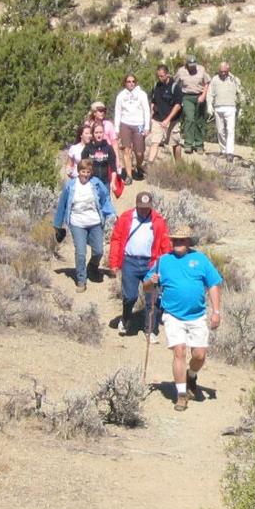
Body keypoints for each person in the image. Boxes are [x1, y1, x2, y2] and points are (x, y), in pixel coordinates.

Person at [143, 224, 223, 411]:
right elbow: (146, 288)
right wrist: (150, 282)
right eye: (175, 240)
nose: (178, 243)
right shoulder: (163, 261)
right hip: (173, 315)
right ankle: (181, 394)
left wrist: (216, 312)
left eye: (181, 240)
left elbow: (213, 284)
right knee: (179, 351)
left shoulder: (200, 259)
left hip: (197, 316)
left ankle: (192, 375)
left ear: (188, 242)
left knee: (199, 355)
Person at [107, 191, 170, 342]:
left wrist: (165, 268)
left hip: (151, 263)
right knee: (130, 296)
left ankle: (150, 329)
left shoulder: (158, 221)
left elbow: (165, 245)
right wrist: (114, 263)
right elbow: (116, 240)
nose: (143, 210)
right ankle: (126, 318)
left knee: (152, 298)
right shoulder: (126, 218)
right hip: (130, 261)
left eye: (146, 207)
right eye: (141, 207)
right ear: (136, 205)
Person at [53, 159, 116, 293]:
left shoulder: (96, 184)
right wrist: (58, 225)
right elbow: (62, 205)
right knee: (81, 253)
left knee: (99, 251)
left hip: (95, 222)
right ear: (78, 171)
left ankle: (92, 267)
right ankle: (81, 280)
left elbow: (105, 199)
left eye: (88, 172)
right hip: (77, 223)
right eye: (83, 171)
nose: (85, 174)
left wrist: (111, 213)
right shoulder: (70, 186)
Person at [114, 73, 149, 185]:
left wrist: (147, 126)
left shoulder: (141, 94)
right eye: (129, 81)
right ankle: (129, 175)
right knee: (126, 150)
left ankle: (138, 166)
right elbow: (118, 112)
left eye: (133, 81)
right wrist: (116, 128)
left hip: (139, 124)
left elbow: (146, 110)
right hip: (125, 124)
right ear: (125, 83)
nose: (131, 83)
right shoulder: (121, 96)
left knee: (139, 152)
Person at [145, 65, 184, 167]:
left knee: (174, 143)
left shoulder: (175, 87)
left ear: (167, 74)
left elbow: (178, 105)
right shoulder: (156, 86)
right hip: (157, 119)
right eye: (158, 76)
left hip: (172, 121)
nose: (160, 78)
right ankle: (150, 164)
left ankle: (179, 165)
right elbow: (153, 101)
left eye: (162, 76)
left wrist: (168, 119)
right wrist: (151, 113)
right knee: (155, 141)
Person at [206, 61, 244, 162]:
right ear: (218, 70)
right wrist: (209, 105)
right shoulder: (214, 79)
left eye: (225, 71)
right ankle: (223, 150)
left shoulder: (234, 79)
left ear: (228, 70)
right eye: (221, 71)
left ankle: (229, 152)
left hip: (231, 107)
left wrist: (242, 108)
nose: (223, 73)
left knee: (230, 130)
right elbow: (210, 93)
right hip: (218, 107)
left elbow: (241, 93)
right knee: (220, 131)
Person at [173, 56, 210, 154]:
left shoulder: (201, 69)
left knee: (199, 121)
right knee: (189, 118)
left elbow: (207, 83)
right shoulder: (181, 71)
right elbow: (175, 83)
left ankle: (199, 144)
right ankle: (188, 144)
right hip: (187, 97)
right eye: (190, 66)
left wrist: (203, 95)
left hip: (200, 96)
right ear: (186, 64)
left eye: (194, 65)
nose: (192, 68)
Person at [82, 121, 117, 188]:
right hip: (91, 182)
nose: (99, 135)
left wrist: (113, 182)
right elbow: (83, 167)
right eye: (96, 132)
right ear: (92, 133)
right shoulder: (88, 148)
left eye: (101, 132)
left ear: (103, 133)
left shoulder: (108, 148)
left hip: (105, 182)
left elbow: (113, 168)